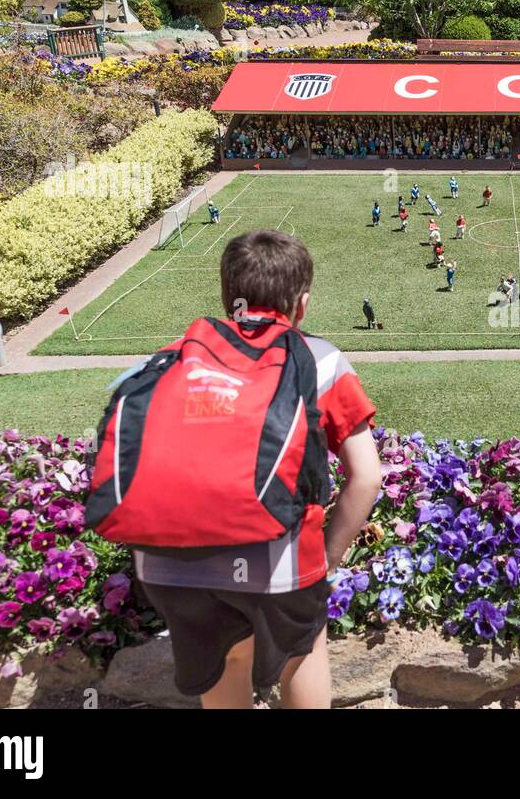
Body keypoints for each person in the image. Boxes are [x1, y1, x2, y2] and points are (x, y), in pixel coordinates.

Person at [128, 230, 381, 709]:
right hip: (279, 560)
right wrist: (328, 555)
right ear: (302, 305)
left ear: (229, 297)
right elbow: (367, 475)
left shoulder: (165, 358)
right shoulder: (320, 360)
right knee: (303, 653)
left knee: (231, 661)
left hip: (176, 564)